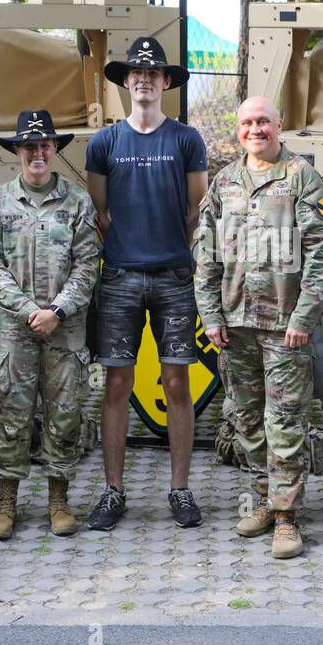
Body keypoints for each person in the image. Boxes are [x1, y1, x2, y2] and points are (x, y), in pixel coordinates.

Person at [195, 96, 323, 559]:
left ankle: (287, 517)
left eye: (263, 121)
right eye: (247, 123)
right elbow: (206, 256)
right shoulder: (224, 183)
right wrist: (211, 316)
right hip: (235, 326)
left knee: (287, 422)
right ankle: (263, 499)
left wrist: (304, 319)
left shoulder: (303, 178)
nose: (255, 129)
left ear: (279, 125)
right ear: (238, 130)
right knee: (246, 420)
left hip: (284, 328)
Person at [85, 36, 209, 531]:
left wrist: (168, 250)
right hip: (118, 278)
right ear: (125, 82)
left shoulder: (186, 139)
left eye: (153, 73)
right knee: (117, 383)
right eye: (136, 73)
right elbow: (100, 211)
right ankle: (112, 491)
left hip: (174, 277)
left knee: (177, 381)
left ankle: (180, 490)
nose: (144, 79)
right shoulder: (105, 142)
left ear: (165, 83)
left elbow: (196, 207)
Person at [0, 110, 99, 540]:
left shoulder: (78, 202)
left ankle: (58, 500)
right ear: (17, 152)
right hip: (17, 331)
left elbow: (88, 265)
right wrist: (30, 309)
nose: (38, 153)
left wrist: (58, 311)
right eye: (29, 146)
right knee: (11, 416)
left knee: (64, 415)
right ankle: (6, 502)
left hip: (64, 330)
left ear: (54, 150)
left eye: (45, 145)